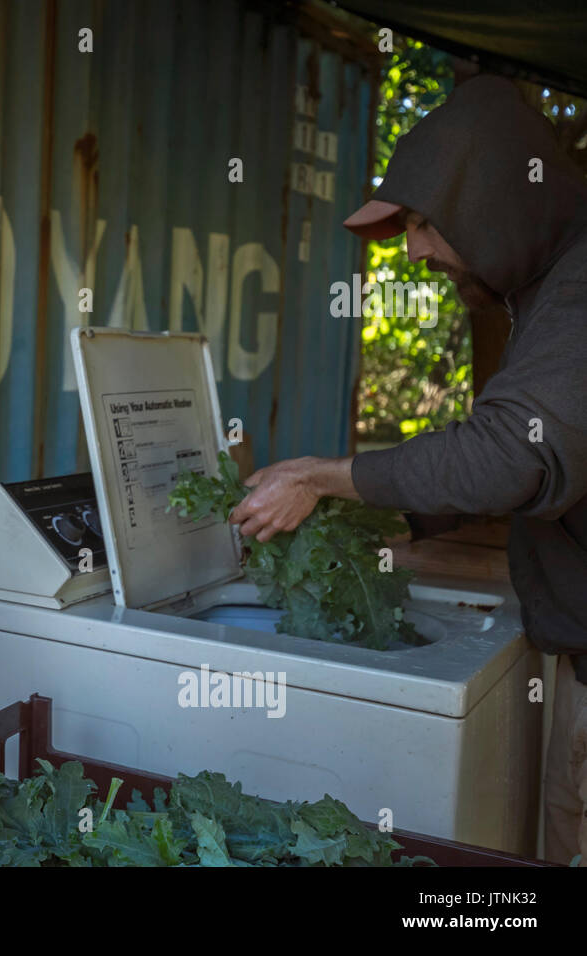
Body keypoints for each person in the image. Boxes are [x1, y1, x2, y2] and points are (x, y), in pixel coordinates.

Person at [231, 75, 587, 864]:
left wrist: (322, 477)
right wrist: (409, 514)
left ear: (495, 200)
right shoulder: (548, 290)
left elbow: (507, 454)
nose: (413, 250)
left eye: (425, 222)